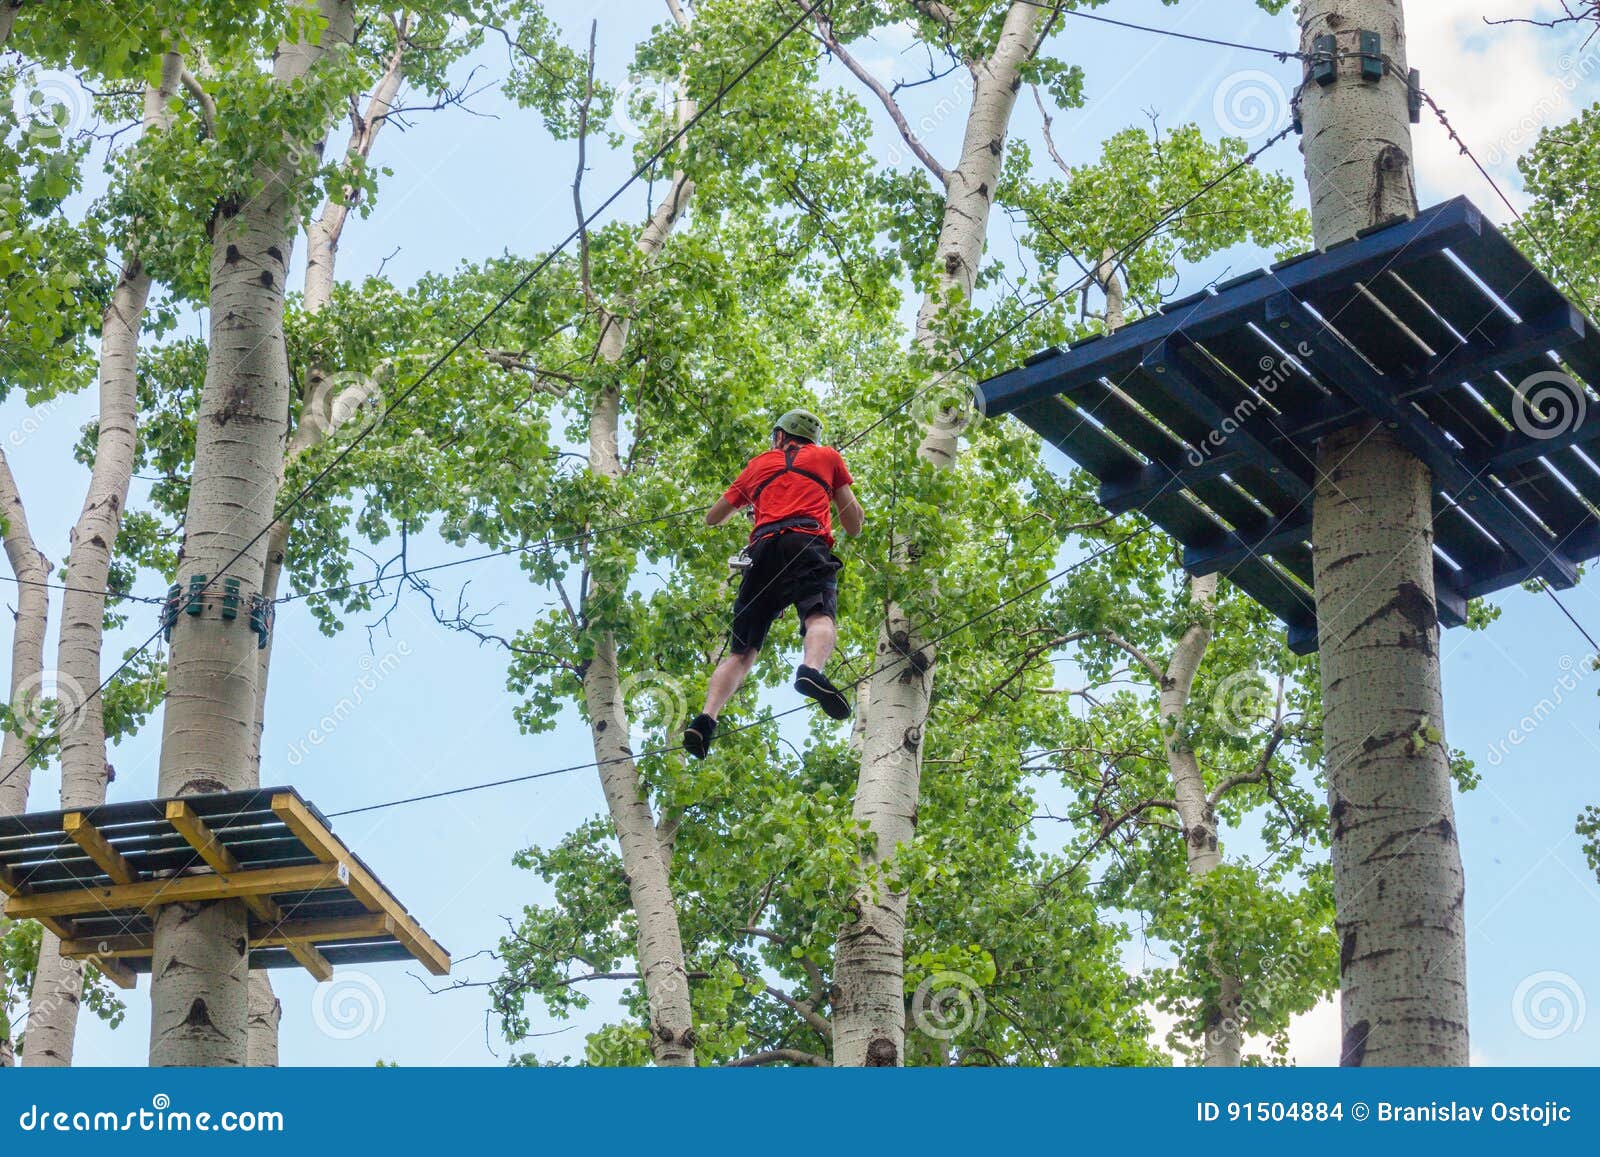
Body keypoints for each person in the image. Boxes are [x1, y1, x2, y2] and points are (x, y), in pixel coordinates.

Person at [682, 409, 864, 760]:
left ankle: (706, 719)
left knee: (741, 652)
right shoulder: (828, 457)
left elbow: (713, 517)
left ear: (780, 436)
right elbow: (853, 524)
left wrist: (753, 498)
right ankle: (810, 670)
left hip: (762, 552)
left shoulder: (758, 464)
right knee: (818, 616)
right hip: (805, 543)